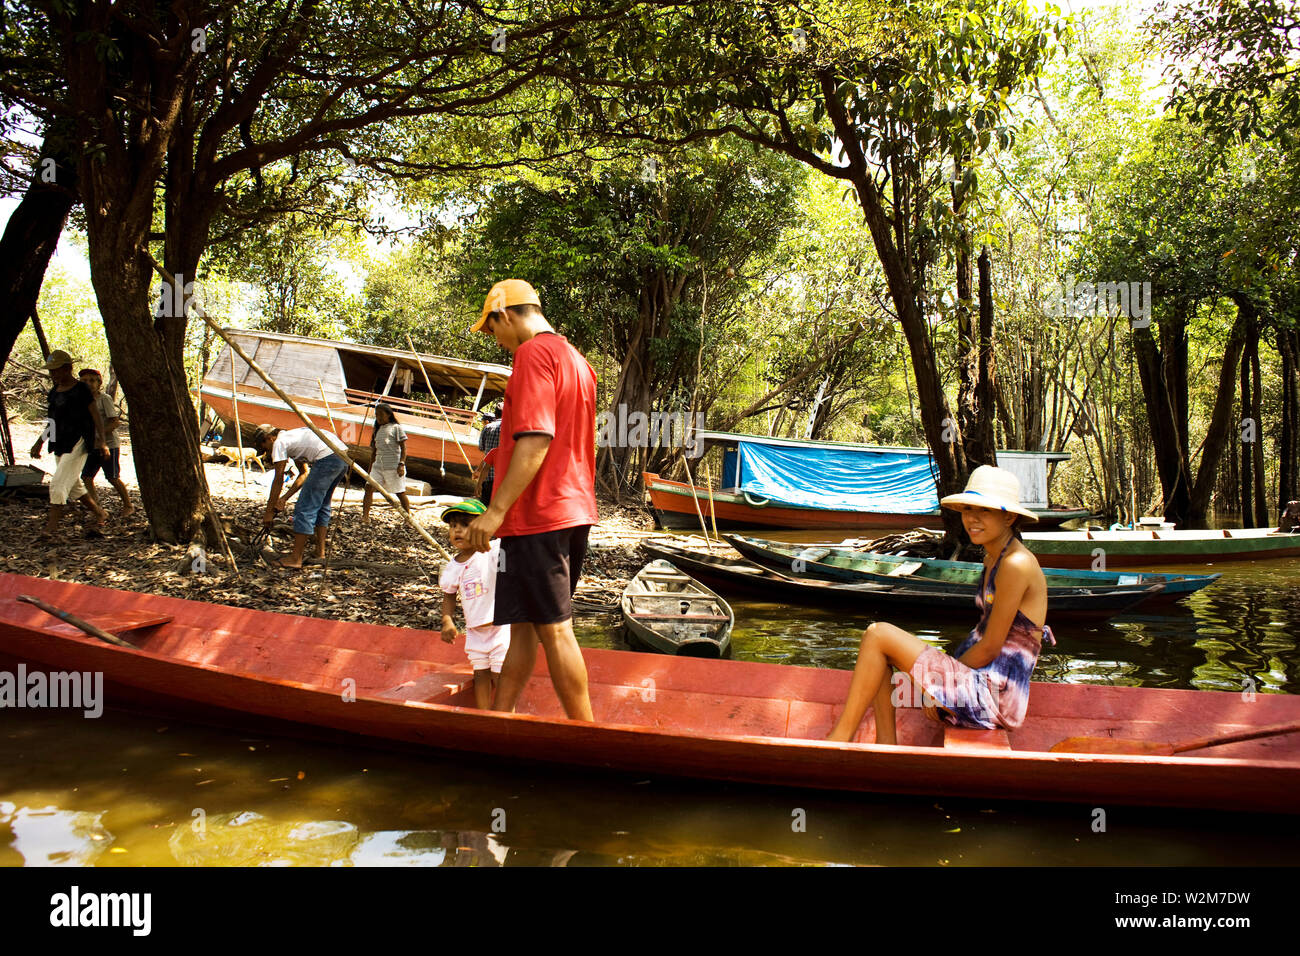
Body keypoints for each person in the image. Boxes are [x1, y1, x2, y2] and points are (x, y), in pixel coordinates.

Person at [826, 465, 1056, 744]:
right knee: (881, 656)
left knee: (878, 634)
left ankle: (838, 739)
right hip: (982, 682)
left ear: (1008, 517)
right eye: (968, 509)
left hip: (996, 697)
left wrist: (941, 687)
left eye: (984, 510)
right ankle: (886, 745)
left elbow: (991, 646)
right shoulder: (992, 558)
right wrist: (942, 675)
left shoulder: (1015, 564)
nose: (972, 518)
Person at [464, 279, 597, 721]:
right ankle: (500, 719)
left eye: (492, 329)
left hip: (540, 515)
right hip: (570, 510)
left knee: (556, 630)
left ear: (506, 315)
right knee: (523, 627)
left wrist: (495, 511)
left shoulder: (532, 353)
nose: (496, 340)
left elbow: (538, 437)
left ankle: (588, 735)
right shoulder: (577, 360)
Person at [438, 499, 511, 708]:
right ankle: (483, 716)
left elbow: (507, 558)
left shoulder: (493, 551)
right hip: (475, 632)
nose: (457, 530)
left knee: (501, 677)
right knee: (480, 676)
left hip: (500, 628)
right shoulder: (452, 566)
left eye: (465, 524)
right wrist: (447, 621)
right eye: (453, 526)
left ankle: (506, 718)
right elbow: (449, 595)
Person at [29, 350, 109, 536]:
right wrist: (39, 441)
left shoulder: (81, 389)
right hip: (60, 441)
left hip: (79, 440)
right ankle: (100, 513)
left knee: (57, 484)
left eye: (56, 370)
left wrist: (102, 441)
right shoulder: (54, 392)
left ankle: (51, 528)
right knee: (73, 485)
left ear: (68, 369)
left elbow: (95, 415)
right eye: (51, 371)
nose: (53, 374)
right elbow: (52, 420)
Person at [251, 423, 348, 569]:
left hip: (328, 459)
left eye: (265, 447)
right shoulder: (291, 438)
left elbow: (278, 479)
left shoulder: (279, 442)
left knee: (305, 508)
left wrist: (268, 512)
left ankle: (296, 558)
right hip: (341, 457)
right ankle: (320, 552)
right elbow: (304, 474)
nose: (267, 451)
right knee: (322, 505)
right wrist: (283, 499)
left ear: (269, 438)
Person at [77, 368, 134, 517]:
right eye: (84, 381)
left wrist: (99, 435)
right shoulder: (80, 400)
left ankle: (128, 505)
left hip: (109, 444)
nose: (88, 383)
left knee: (112, 476)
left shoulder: (104, 399)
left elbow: (115, 422)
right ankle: (96, 506)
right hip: (91, 445)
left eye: (92, 380)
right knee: (87, 477)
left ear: (99, 383)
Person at [362, 403, 411, 521]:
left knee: (400, 492)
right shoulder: (377, 430)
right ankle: (365, 516)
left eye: (381, 415)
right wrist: (370, 469)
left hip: (393, 466)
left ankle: (408, 518)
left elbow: (403, 448)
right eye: (376, 415)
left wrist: (401, 464)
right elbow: (374, 452)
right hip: (378, 466)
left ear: (389, 415)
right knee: (368, 488)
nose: (378, 417)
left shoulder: (396, 428)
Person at [474, 406, 502, 506]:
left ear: (496, 414)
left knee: (484, 507)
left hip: (488, 478)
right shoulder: (511, 428)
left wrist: (479, 481)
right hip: (503, 480)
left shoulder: (488, 427)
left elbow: (483, 450)